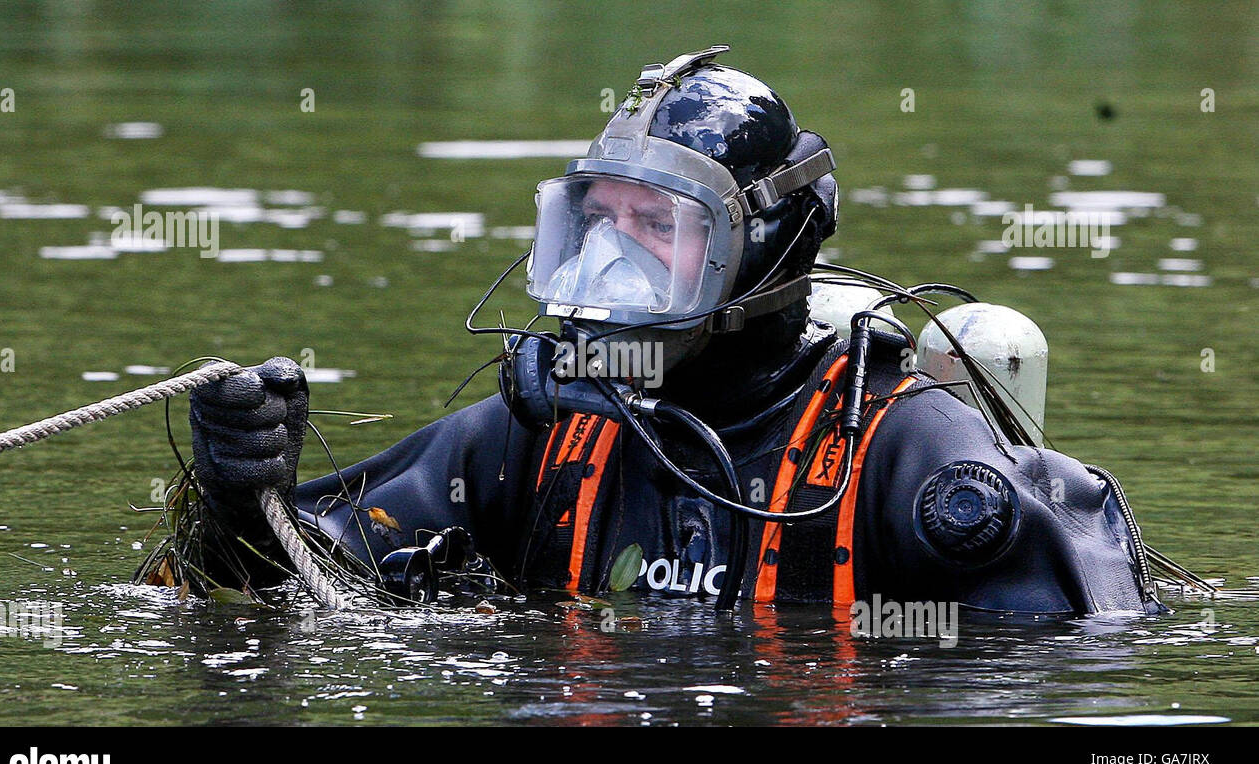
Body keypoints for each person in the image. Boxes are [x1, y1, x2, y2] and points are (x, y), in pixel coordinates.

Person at [182, 46, 1165, 616]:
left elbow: (1084, 669)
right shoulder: (536, 433)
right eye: (597, 224)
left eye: (659, 227)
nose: (614, 266)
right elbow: (281, 589)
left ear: (764, 254)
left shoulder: (910, 463)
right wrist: (237, 495)